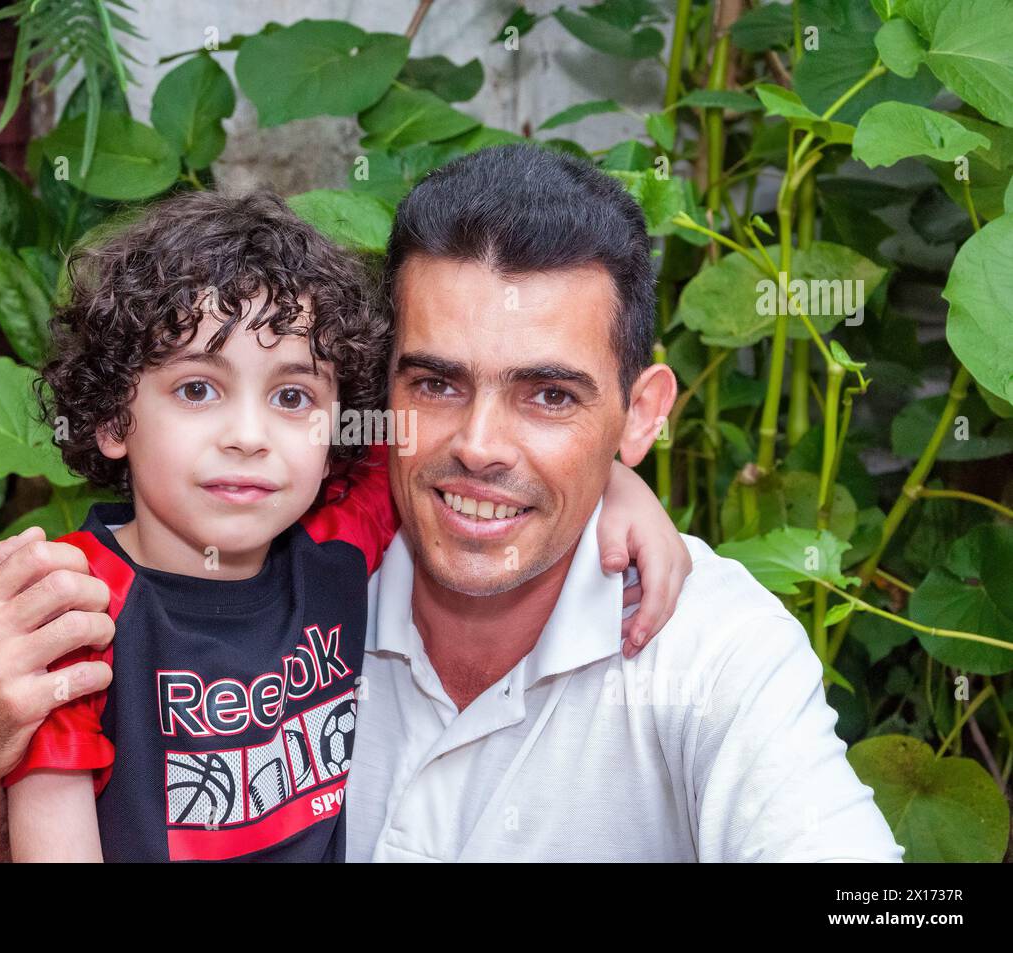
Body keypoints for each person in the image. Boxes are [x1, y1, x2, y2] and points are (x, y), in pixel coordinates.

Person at [0, 188, 691, 862]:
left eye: (293, 396)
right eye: (197, 387)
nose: (249, 434)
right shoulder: (74, 615)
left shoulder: (334, 548)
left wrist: (619, 481)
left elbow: (489, 462)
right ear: (116, 415)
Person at [343, 144, 904, 861]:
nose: (479, 444)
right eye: (436, 384)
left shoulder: (715, 652)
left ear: (641, 415)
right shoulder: (293, 585)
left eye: (549, 396)